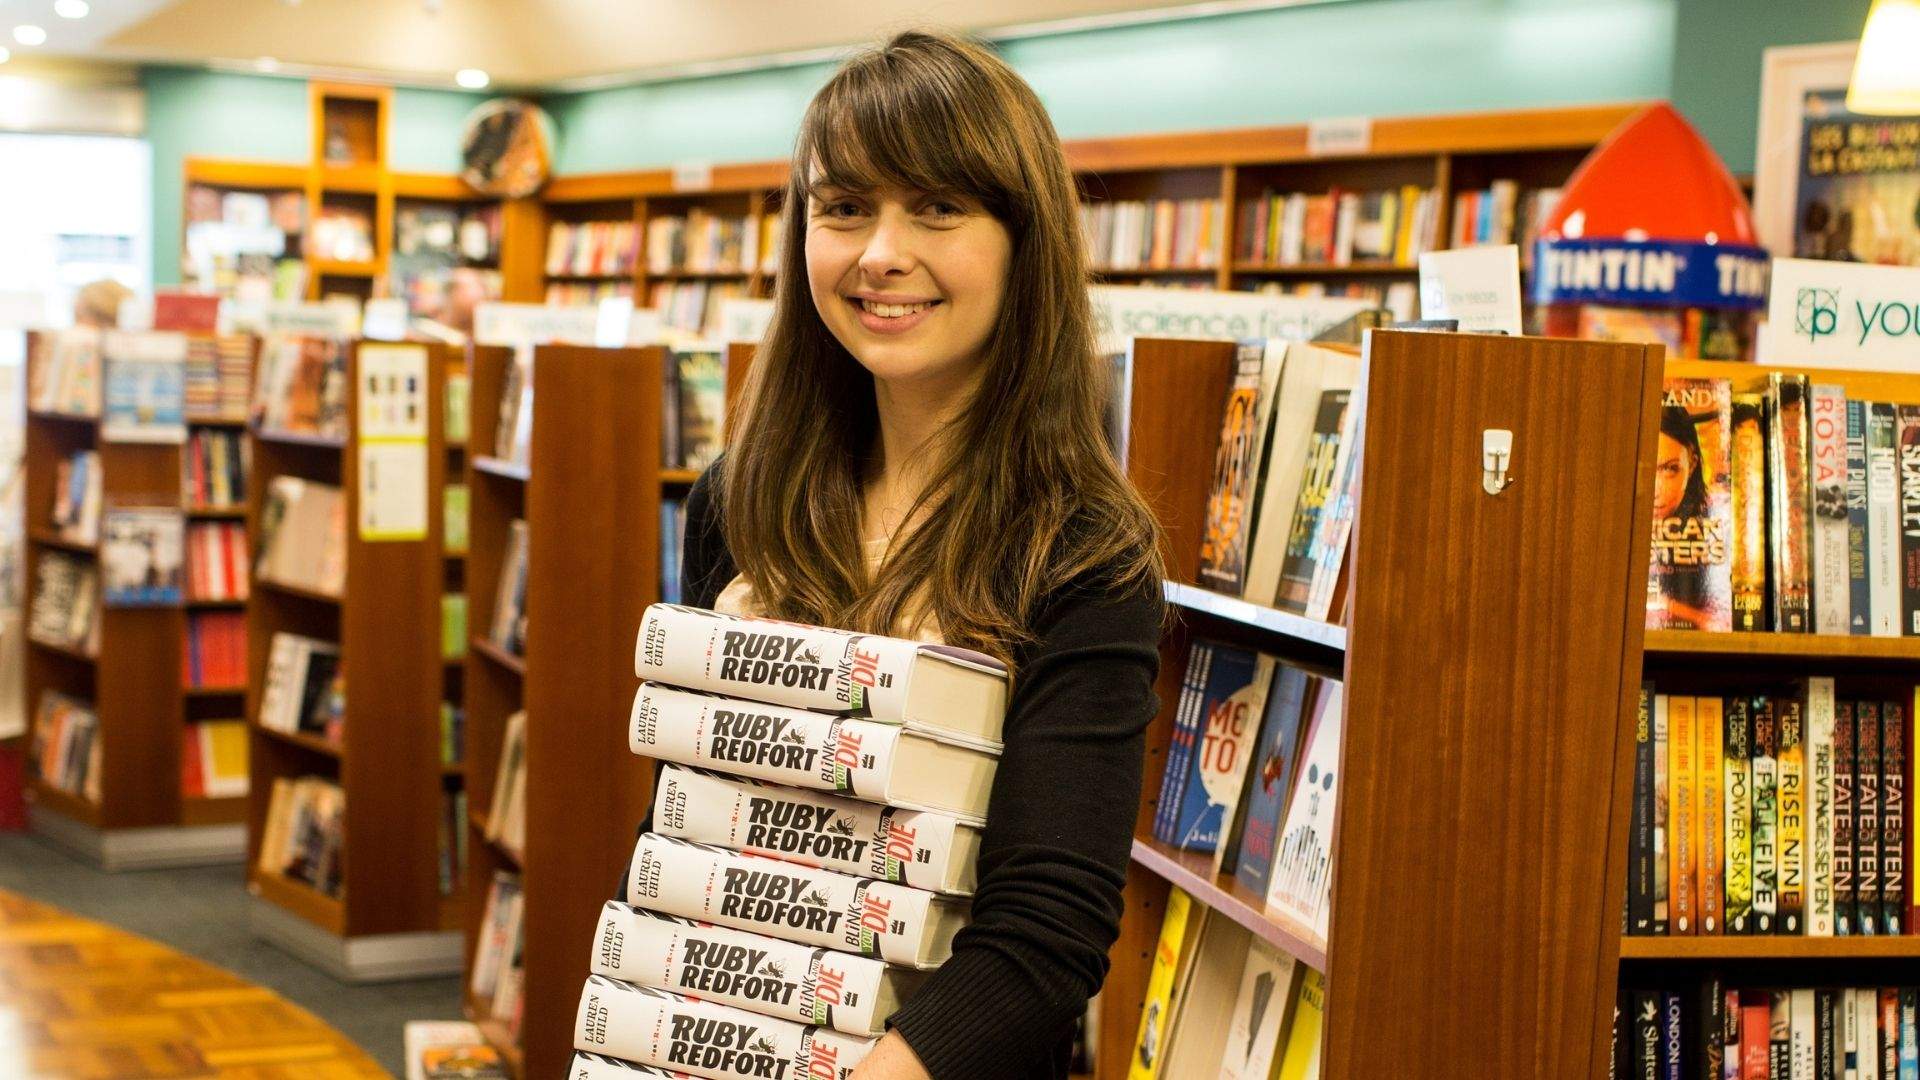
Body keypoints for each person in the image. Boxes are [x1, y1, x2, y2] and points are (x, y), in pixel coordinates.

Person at [661, 29, 1165, 1080]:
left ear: (1025, 241)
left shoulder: (1083, 552)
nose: (880, 252)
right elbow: (689, 829)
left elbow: (1047, 935)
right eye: (844, 208)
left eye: (937, 207)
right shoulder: (738, 500)